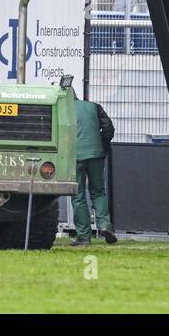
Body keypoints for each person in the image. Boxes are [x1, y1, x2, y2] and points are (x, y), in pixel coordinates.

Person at [71, 88, 116, 245]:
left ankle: (83, 236)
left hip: (73, 157)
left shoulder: (62, 110)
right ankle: (105, 225)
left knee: (78, 195)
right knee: (98, 192)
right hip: (96, 154)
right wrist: (102, 143)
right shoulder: (94, 107)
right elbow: (109, 128)